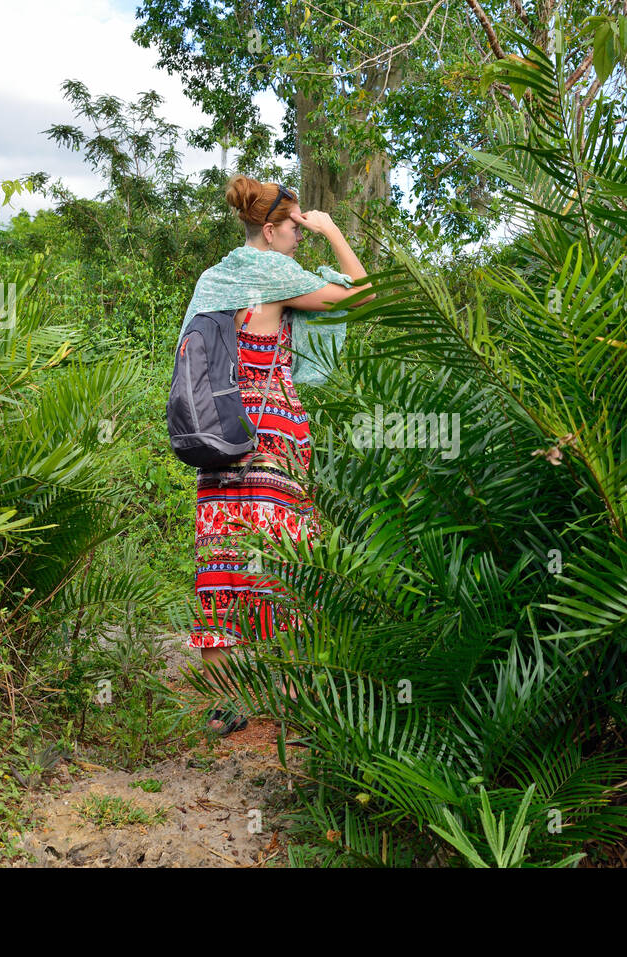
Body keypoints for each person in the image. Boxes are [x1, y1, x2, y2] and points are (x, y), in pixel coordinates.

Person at [187, 175, 373, 734]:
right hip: (272, 433)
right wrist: (335, 231)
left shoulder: (212, 279)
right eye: (294, 227)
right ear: (268, 230)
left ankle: (223, 706)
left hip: (219, 430)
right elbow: (363, 293)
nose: (300, 236)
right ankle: (291, 697)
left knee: (221, 558)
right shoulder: (275, 276)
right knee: (284, 558)